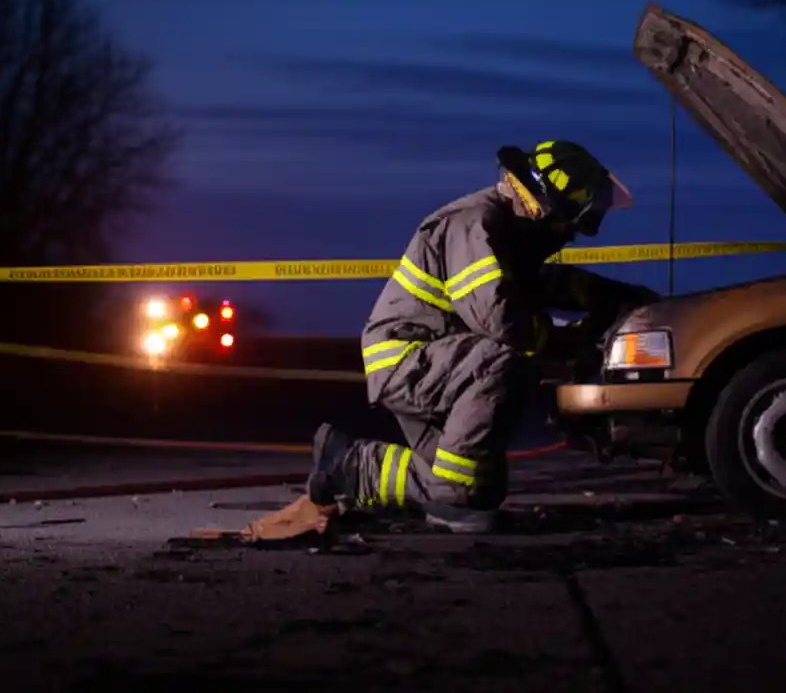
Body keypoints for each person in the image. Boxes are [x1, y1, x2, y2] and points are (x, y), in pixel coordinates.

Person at [223, 140, 659, 541]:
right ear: (549, 206)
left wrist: (617, 299)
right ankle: (410, 483)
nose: (571, 235)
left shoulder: (511, 232)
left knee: (473, 495)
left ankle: (352, 467)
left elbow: (550, 283)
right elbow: (499, 318)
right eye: (573, 223)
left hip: (440, 362)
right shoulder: (477, 224)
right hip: (409, 359)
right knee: (507, 356)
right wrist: (570, 343)